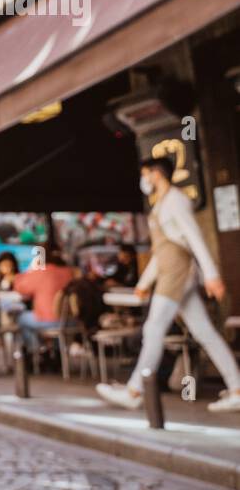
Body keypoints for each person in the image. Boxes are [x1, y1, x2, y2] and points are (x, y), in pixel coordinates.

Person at [96, 156, 240, 413]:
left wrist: (211, 274)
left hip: (177, 273)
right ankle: (237, 387)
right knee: (204, 332)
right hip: (169, 271)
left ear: (156, 174)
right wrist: (144, 283)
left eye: (145, 174)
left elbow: (194, 238)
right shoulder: (162, 204)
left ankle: (134, 390)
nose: (144, 180)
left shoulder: (176, 200)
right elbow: (161, 251)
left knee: (153, 329)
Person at [11, 248, 76, 362]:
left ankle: (38, 351)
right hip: (71, 321)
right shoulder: (69, 272)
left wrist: (31, 269)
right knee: (53, 321)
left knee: (21, 319)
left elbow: (21, 287)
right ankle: (56, 352)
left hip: (48, 321)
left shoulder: (41, 272)